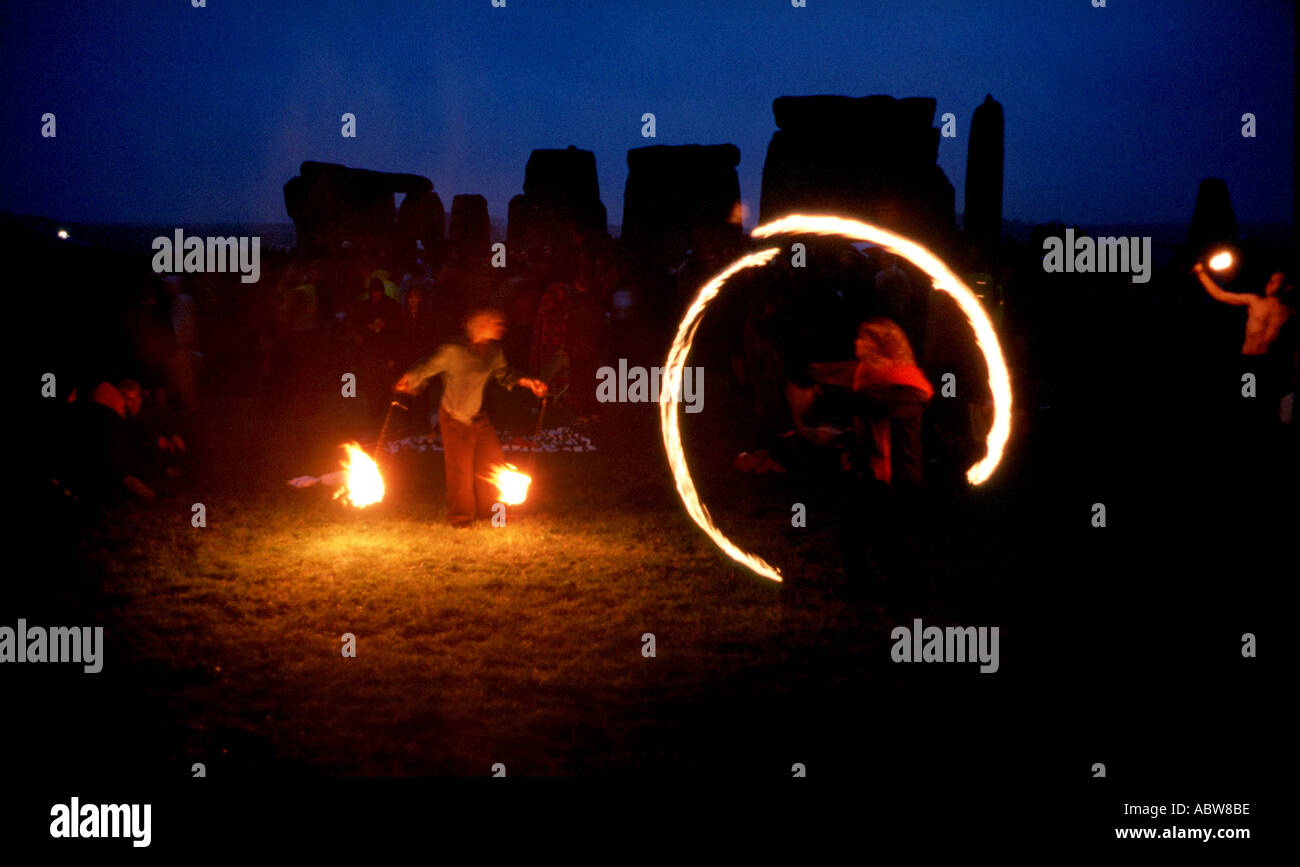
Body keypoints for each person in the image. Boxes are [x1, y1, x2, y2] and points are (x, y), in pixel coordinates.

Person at [394, 309, 547, 528]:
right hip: (455, 418)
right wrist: (410, 379)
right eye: (494, 322)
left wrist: (529, 382)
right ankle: (460, 519)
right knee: (460, 472)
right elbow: (428, 367)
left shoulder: (494, 352)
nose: (500, 324)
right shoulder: (453, 351)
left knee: (493, 465)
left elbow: (505, 374)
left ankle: (495, 514)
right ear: (478, 326)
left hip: (479, 418)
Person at [1193, 264, 1292, 357]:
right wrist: (1201, 273)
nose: (1269, 283)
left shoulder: (1291, 312)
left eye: (1275, 281)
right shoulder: (1254, 300)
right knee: (1248, 376)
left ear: (1287, 287)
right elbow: (1220, 294)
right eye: (1270, 280)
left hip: (1274, 362)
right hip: (1248, 358)